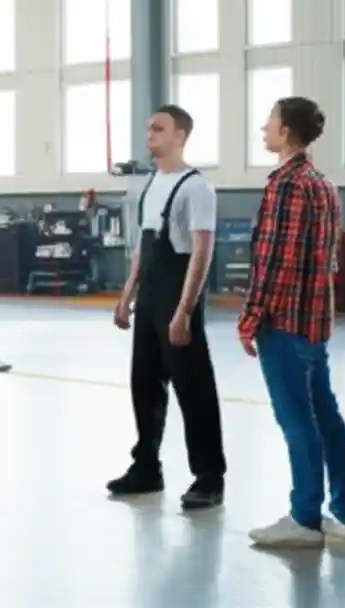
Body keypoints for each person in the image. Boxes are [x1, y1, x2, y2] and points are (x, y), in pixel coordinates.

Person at [240, 97, 345, 548]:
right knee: (326, 416)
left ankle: (305, 518)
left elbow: (275, 261)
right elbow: (326, 260)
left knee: (296, 421)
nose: (264, 128)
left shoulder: (286, 185)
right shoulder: (325, 184)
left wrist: (251, 315)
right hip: (314, 321)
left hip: (285, 322)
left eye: (269, 121)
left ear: (287, 131)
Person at [109, 104, 227, 510]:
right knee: (144, 384)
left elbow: (201, 252)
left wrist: (184, 310)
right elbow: (145, 244)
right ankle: (146, 467)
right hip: (151, 297)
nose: (149, 134)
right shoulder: (152, 183)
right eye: (148, 127)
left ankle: (209, 477)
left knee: (194, 390)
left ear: (181, 136)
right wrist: (128, 293)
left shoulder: (198, 188)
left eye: (158, 128)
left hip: (179, 296)